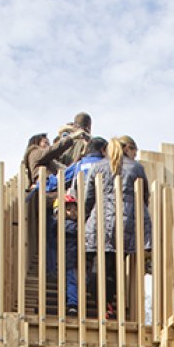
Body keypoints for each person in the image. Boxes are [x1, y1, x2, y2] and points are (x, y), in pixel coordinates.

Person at [83, 135, 150, 318]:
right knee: (115, 266)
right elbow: (145, 197)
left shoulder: (98, 167)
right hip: (125, 223)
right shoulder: (136, 168)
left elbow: (88, 198)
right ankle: (110, 304)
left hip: (100, 223)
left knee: (99, 265)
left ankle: (103, 304)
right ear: (129, 148)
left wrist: (84, 220)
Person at [45, 135, 106, 316]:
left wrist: (44, 184)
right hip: (101, 222)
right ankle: (100, 302)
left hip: (84, 219)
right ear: (103, 150)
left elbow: (59, 179)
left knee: (75, 274)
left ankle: (76, 302)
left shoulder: (80, 165)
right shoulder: (108, 167)